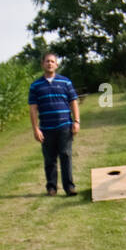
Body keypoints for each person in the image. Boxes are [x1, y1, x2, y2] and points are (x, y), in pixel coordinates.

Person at [28, 52, 80, 196]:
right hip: (46, 129)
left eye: (52, 61)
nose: (49, 64)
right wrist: (35, 129)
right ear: (42, 64)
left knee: (66, 156)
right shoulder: (35, 86)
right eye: (47, 61)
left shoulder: (65, 82)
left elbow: (73, 102)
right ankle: (51, 188)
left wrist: (76, 121)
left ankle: (69, 187)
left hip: (64, 126)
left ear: (56, 65)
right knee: (50, 159)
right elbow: (33, 109)